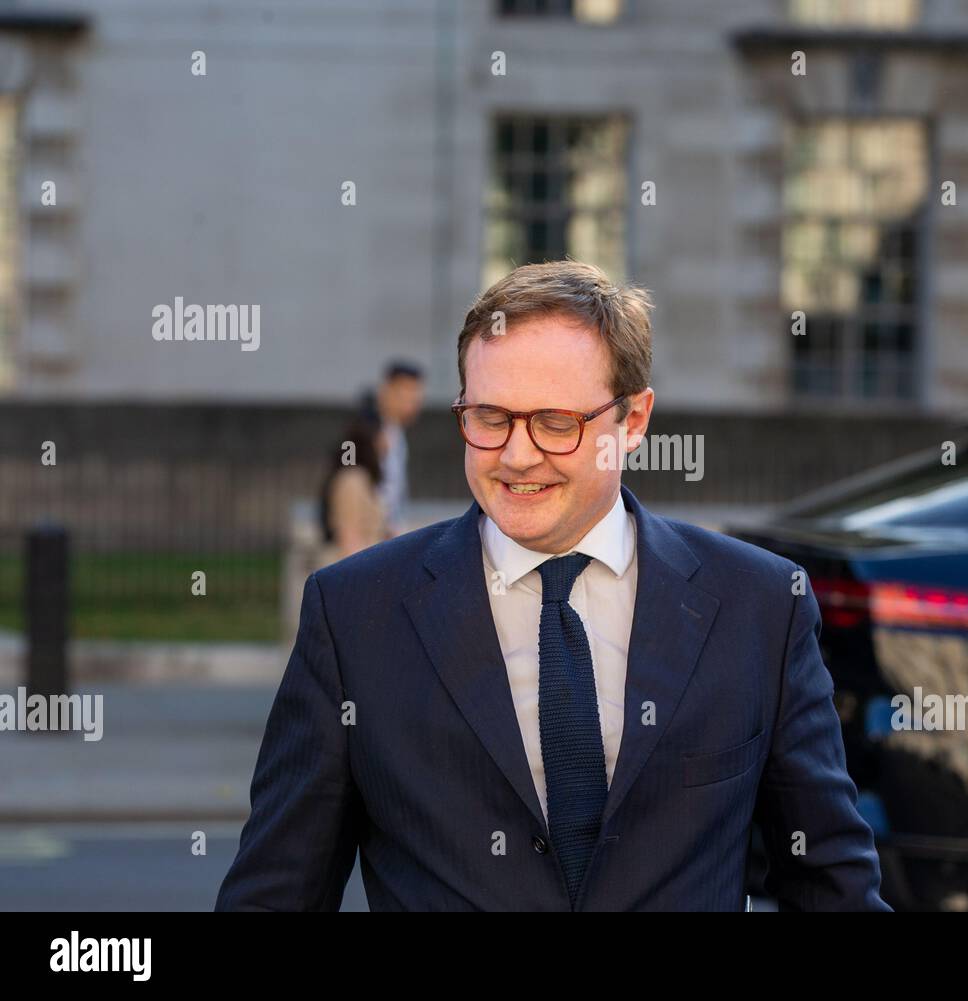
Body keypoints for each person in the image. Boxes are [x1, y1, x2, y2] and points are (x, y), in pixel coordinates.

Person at [216, 260, 890, 912]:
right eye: (489, 416)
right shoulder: (355, 617)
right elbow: (276, 893)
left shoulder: (759, 608)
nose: (516, 454)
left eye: (555, 422)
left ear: (633, 422)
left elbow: (832, 886)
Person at [360, 360, 425, 535]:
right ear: (386, 390)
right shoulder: (369, 432)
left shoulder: (395, 433)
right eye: (406, 393)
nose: (413, 402)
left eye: (416, 395)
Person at [318, 413, 388, 562]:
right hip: (351, 572)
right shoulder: (352, 480)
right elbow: (349, 538)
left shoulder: (361, 480)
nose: (387, 444)